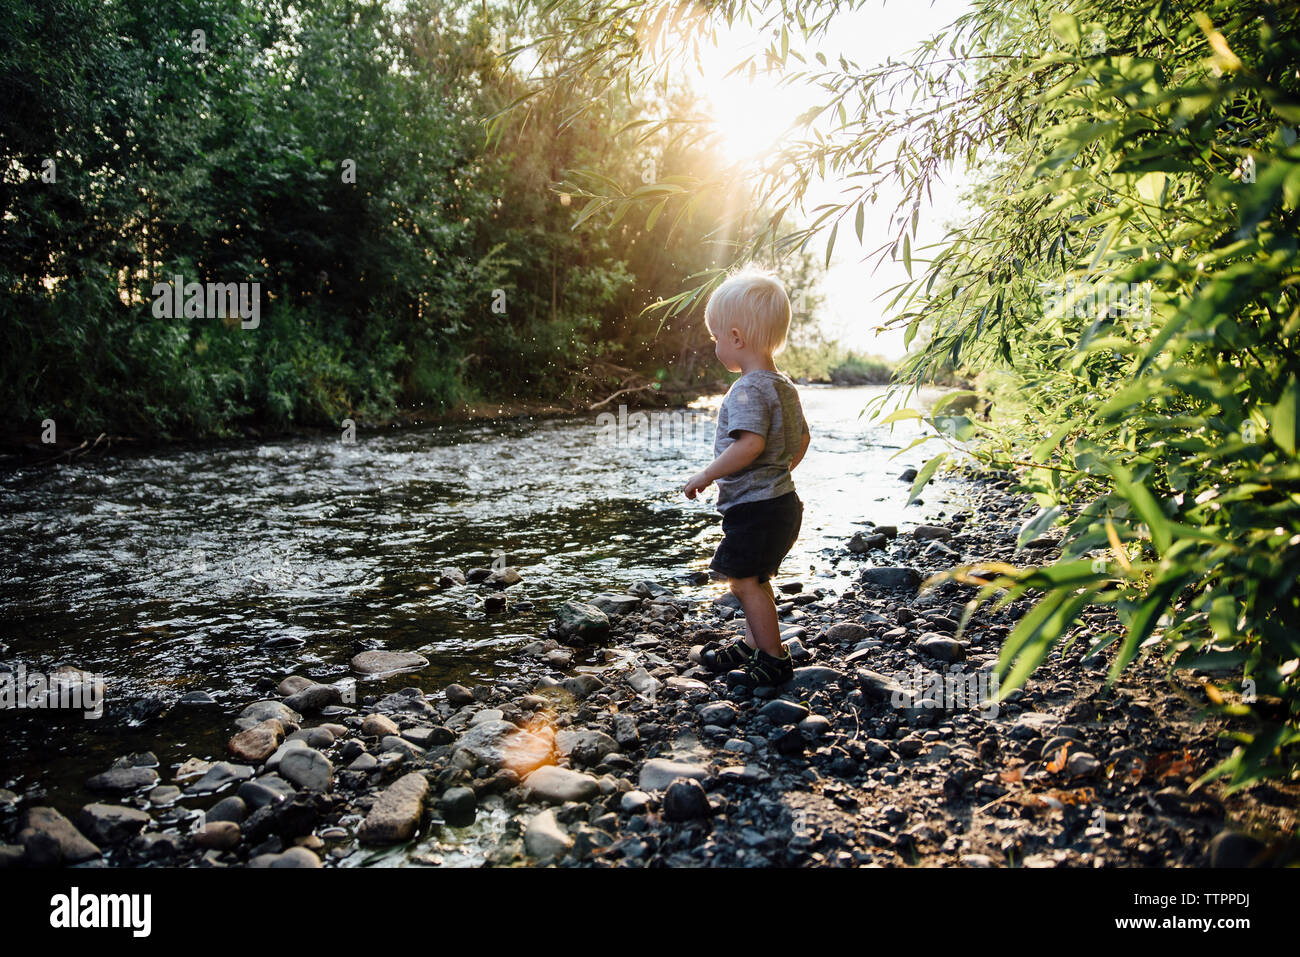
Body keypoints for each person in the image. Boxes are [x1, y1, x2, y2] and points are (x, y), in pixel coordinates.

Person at [683, 267, 810, 687]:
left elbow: (750, 444)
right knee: (755, 578)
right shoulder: (783, 386)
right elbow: (802, 438)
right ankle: (755, 644)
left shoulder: (747, 389)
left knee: (743, 581)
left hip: (757, 510)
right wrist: (780, 472)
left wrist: (706, 473)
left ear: (736, 338)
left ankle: (773, 658)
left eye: (717, 336)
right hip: (781, 504)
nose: (716, 344)